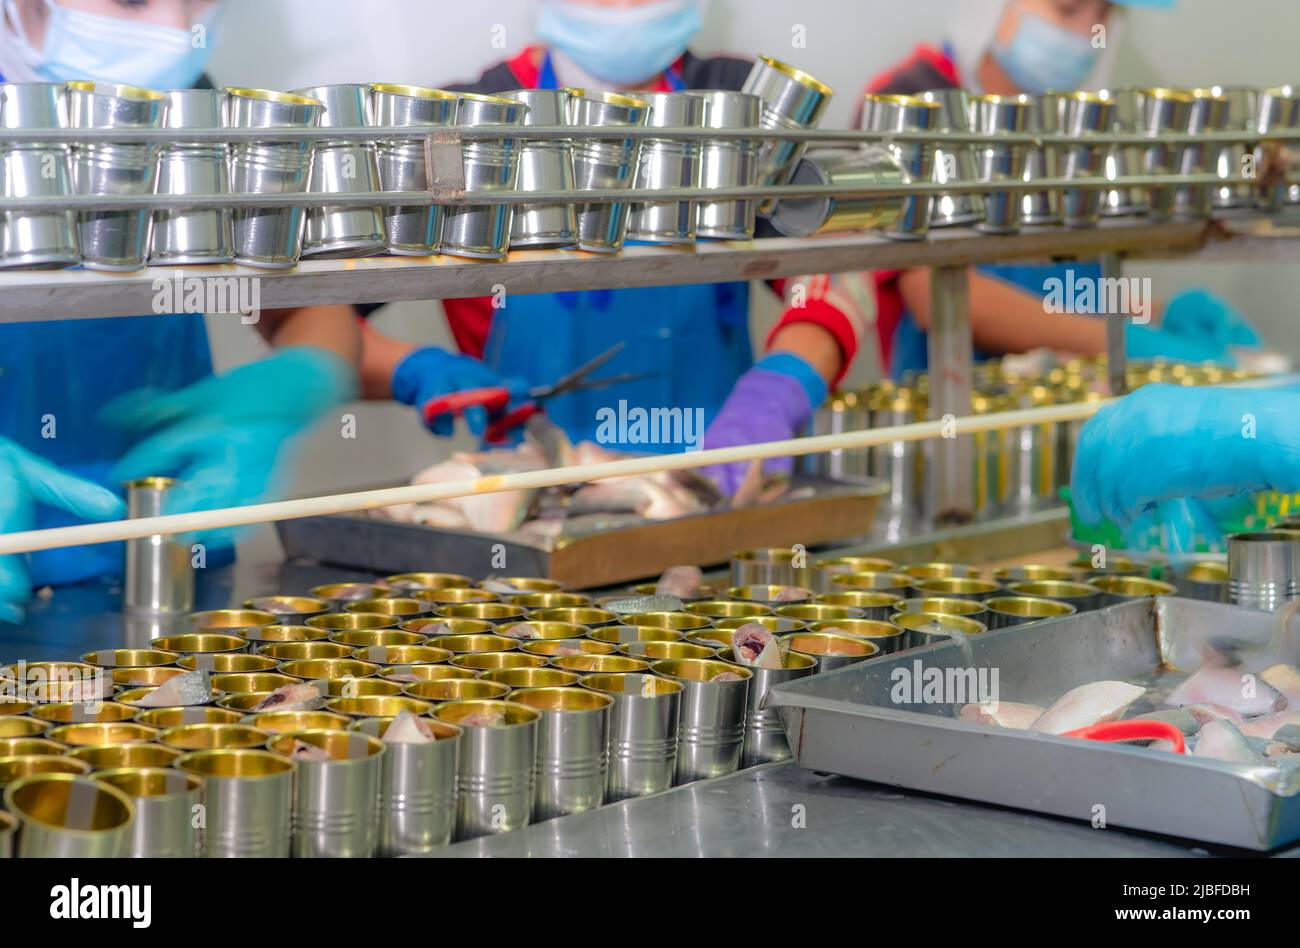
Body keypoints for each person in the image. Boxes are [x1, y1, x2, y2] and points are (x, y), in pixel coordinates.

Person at [358, 0, 864, 496]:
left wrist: (776, 393)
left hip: (715, 485)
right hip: (535, 496)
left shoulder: (737, 101)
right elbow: (313, 315)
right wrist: (415, 371)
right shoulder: (463, 123)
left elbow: (833, 274)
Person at [0, 0, 361, 623]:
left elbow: (300, 305)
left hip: (168, 569)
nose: (174, 28)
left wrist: (300, 378)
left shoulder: (189, 102)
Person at [865, 0, 1261, 378]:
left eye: (1104, 12)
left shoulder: (1071, 126)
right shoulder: (912, 101)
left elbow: (1068, 292)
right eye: (1068, 6)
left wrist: (1157, 314)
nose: (1087, 32)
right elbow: (941, 298)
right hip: (952, 414)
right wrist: (1130, 345)